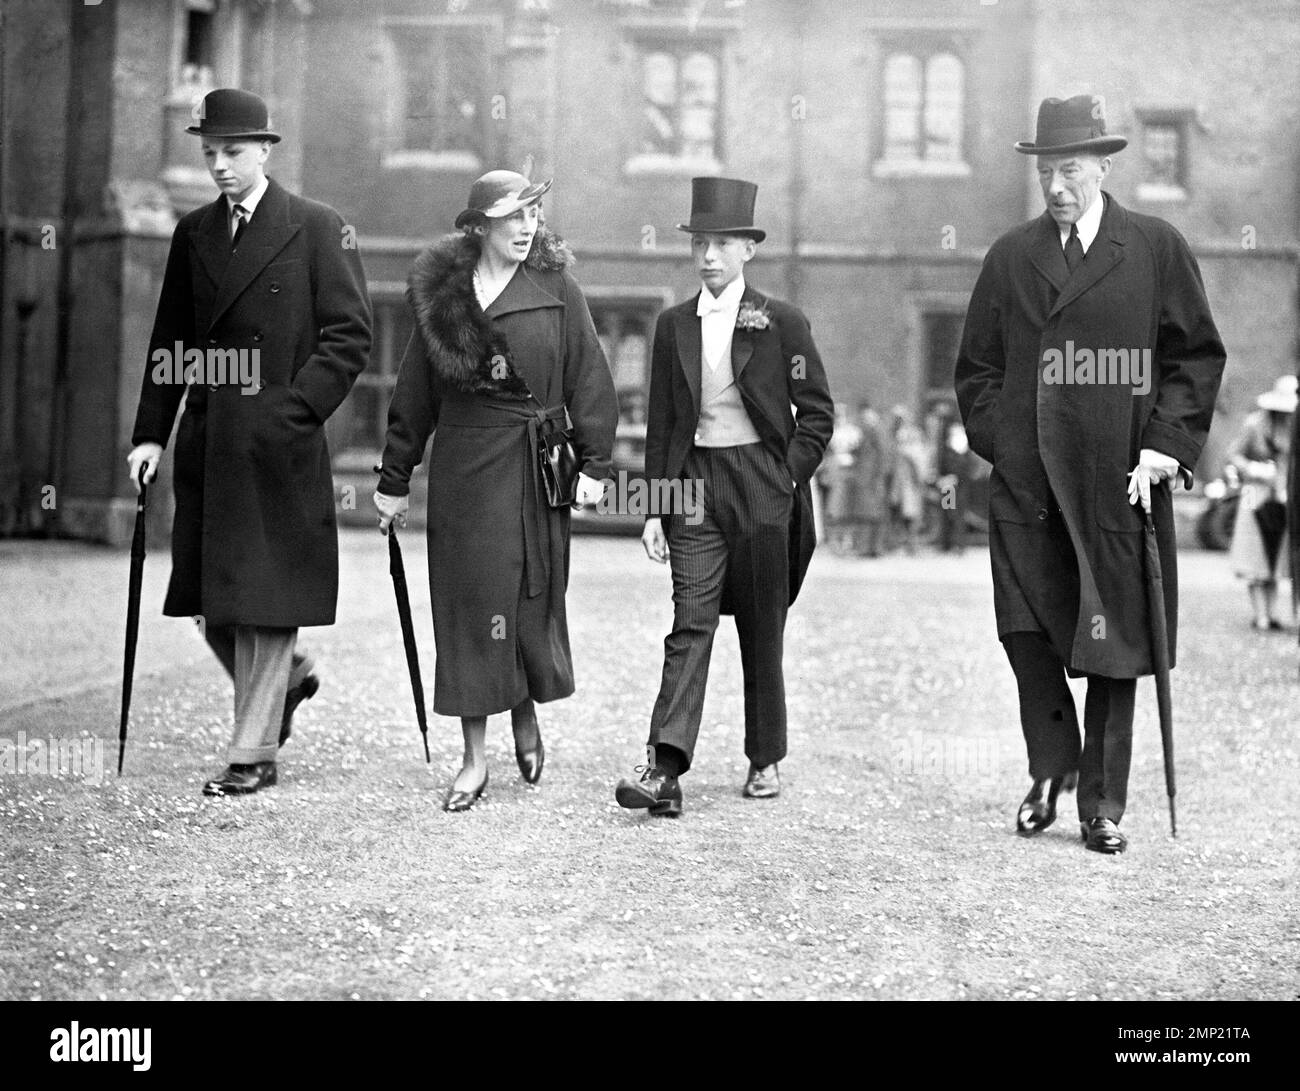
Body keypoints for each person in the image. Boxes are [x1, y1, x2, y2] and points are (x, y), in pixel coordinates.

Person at [955, 94, 1225, 854]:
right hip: (1027, 487)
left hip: (1119, 482)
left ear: (1104, 167)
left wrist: (1165, 447)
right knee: (1024, 631)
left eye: (1070, 169)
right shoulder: (1012, 256)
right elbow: (976, 367)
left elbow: (1195, 356)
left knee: (1115, 642)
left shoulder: (1154, 248)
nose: (1057, 187)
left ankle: (1101, 802)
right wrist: (1006, 441)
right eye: (1046, 171)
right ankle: (1052, 767)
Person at [126, 89, 373, 796]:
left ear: (265, 150)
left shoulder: (317, 227)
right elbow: (170, 342)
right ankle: (288, 682)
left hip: (276, 445)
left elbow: (350, 335)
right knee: (210, 599)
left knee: (266, 599)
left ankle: (252, 751)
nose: (220, 168)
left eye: (232, 153)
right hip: (209, 442)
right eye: (209, 155)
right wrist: (150, 434)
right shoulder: (193, 234)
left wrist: (294, 412)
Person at [374, 170, 617, 812]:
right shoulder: (443, 298)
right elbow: (413, 395)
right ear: (479, 226)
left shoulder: (557, 287)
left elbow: (590, 375)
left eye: (533, 213)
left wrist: (595, 464)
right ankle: (474, 758)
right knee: (469, 605)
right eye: (512, 216)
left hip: (536, 468)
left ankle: (526, 709)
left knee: (529, 596)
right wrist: (394, 481)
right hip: (463, 473)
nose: (527, 226)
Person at [613, 177, 834, 816]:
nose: (709, 256)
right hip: (693, 488)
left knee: (763, 627)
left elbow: (817, 412)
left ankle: (764, 756)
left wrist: (786, 476)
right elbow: (662, 422)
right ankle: (664, 768)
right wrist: (655, 505)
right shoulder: (673, 325)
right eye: (701, 243)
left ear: (748, 251)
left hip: (762, 483)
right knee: (691, 620)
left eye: (723, 244)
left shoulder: (781, 322)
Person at [1226, 377, 1296, 629]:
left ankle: (1272, 613)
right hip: (1254, 496)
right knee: (1254, 557)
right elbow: (1233, 455)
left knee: (1275, 558)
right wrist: (1253, 468)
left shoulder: (1293, 428)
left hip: (1281, 497)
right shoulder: (1254, 424)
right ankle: (1261, 615)